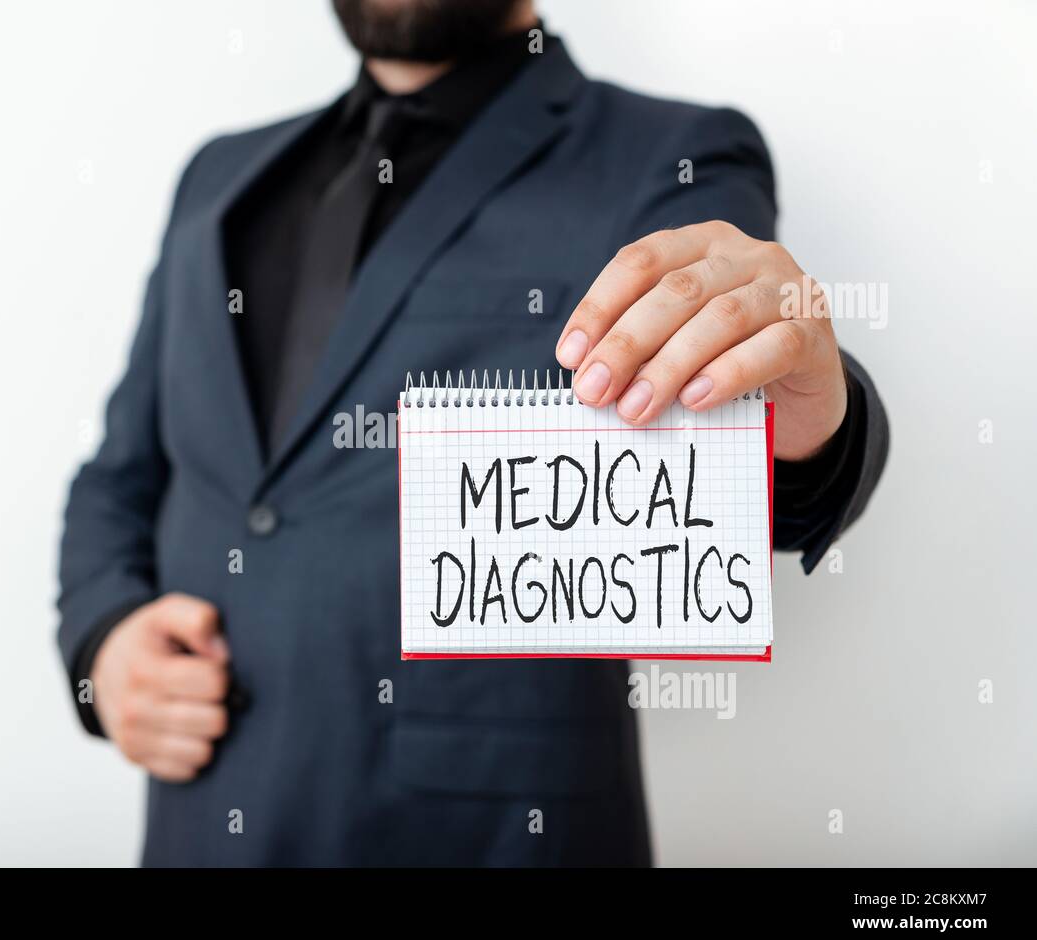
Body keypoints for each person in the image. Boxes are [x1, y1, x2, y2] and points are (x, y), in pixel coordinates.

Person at [57, 0, 889, 866]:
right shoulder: (217, 178)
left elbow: (748, 416)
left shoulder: (670, 159)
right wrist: (105, 638)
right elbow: (120, 477)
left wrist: (809, 420)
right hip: (203, 825)